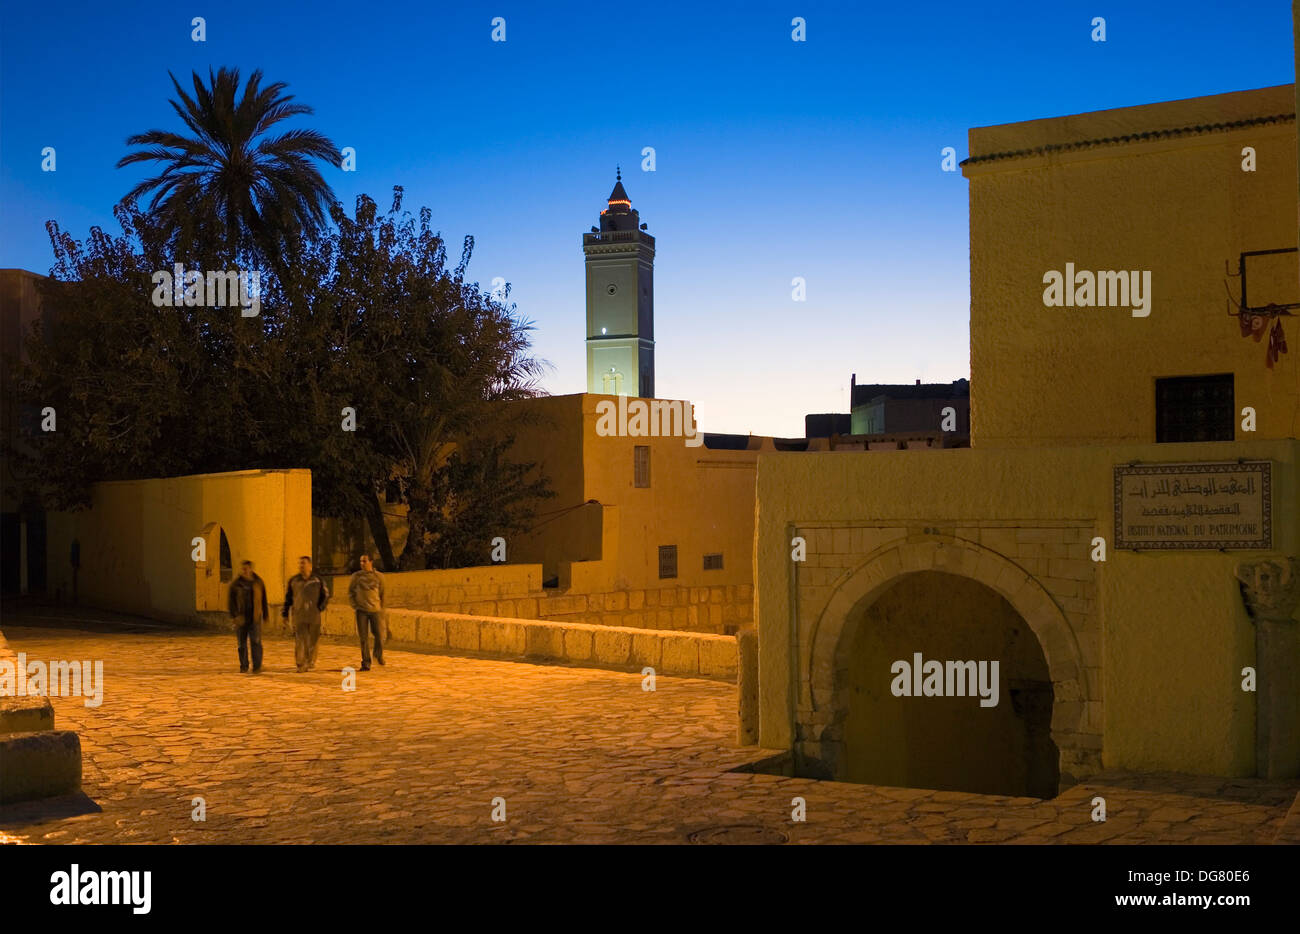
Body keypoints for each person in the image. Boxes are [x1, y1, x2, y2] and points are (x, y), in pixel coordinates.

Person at [283, 556, 329, 672]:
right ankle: (301, 663)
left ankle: (310, 661)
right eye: (300, 564)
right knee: (300, 639)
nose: (301, 566)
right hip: (299, 614)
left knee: (313, 639)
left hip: (314, 614)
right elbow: (288, 598)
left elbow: (326, 595)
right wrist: (285, 614)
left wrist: (320, 607)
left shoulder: (317, 580)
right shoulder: (294, 580)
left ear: (310, 565)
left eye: (303, 563)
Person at [227, 560, 268, 673]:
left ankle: (257, 666)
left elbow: (263, 599)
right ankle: (244, 665)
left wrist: (265, 615)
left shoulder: (258, 582)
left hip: (254, 617)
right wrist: (234, 616)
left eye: (246, 568)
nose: (244, 571)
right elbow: (231, 602)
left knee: (256, 641)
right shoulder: (236, 584)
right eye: (243, 569)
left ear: (251, 569)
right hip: (241, 618)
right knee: (242, 644)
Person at [348, 553, 386, 671]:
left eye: (364, 561)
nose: (362, 564)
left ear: (371, 562)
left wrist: (381, 607)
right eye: (361, 561)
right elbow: (351, 592)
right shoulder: (356, 577)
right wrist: (355, 605)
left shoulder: (379, 576)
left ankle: (378, 654)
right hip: (361, 611)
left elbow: (382, 593)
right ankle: (366, 662)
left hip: (375, 610)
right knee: (363, 638)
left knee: (379, 635)